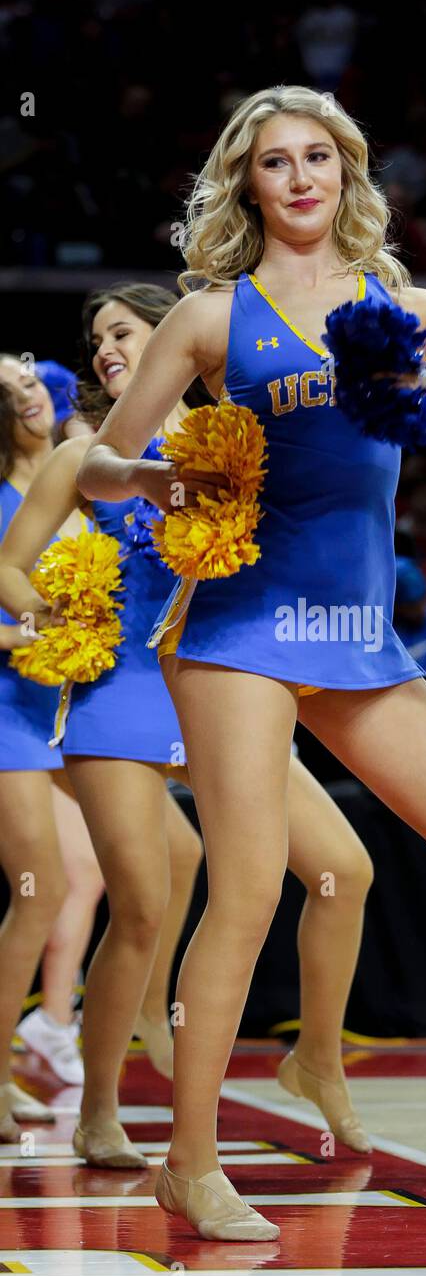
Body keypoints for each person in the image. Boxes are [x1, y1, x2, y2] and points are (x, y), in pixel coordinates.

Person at [78, 84, 426, 1241]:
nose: (300, 177)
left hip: (358, 639)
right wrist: (166, 477)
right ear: (245, 185)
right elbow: (102, 469)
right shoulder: (209, 319)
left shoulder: (405, 306)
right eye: (273, 163)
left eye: (318, 157)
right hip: (236, 630)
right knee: (250, 886)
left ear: (348, 175)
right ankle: (190, 1163)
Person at [2, 282, 377, 1157]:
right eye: (95, 339)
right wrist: (58, 618)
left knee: (341, 871)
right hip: (119, 690)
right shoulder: (85, 456)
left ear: (172, 335)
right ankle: (99, 1110)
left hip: (222, 685)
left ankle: (317, 1057)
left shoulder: (237, 442)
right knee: (140, 908)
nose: (104, 349)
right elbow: (12, 569)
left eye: (122, 329)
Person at [0, 361, 104, 1137]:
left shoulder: (82, 466)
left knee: (95, 874)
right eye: (10, 389)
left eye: (31, 375)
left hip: (71, 705)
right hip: (11, 706)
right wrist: (32, 632)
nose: (28, 391)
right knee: (35, 891)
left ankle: (52, 1023)